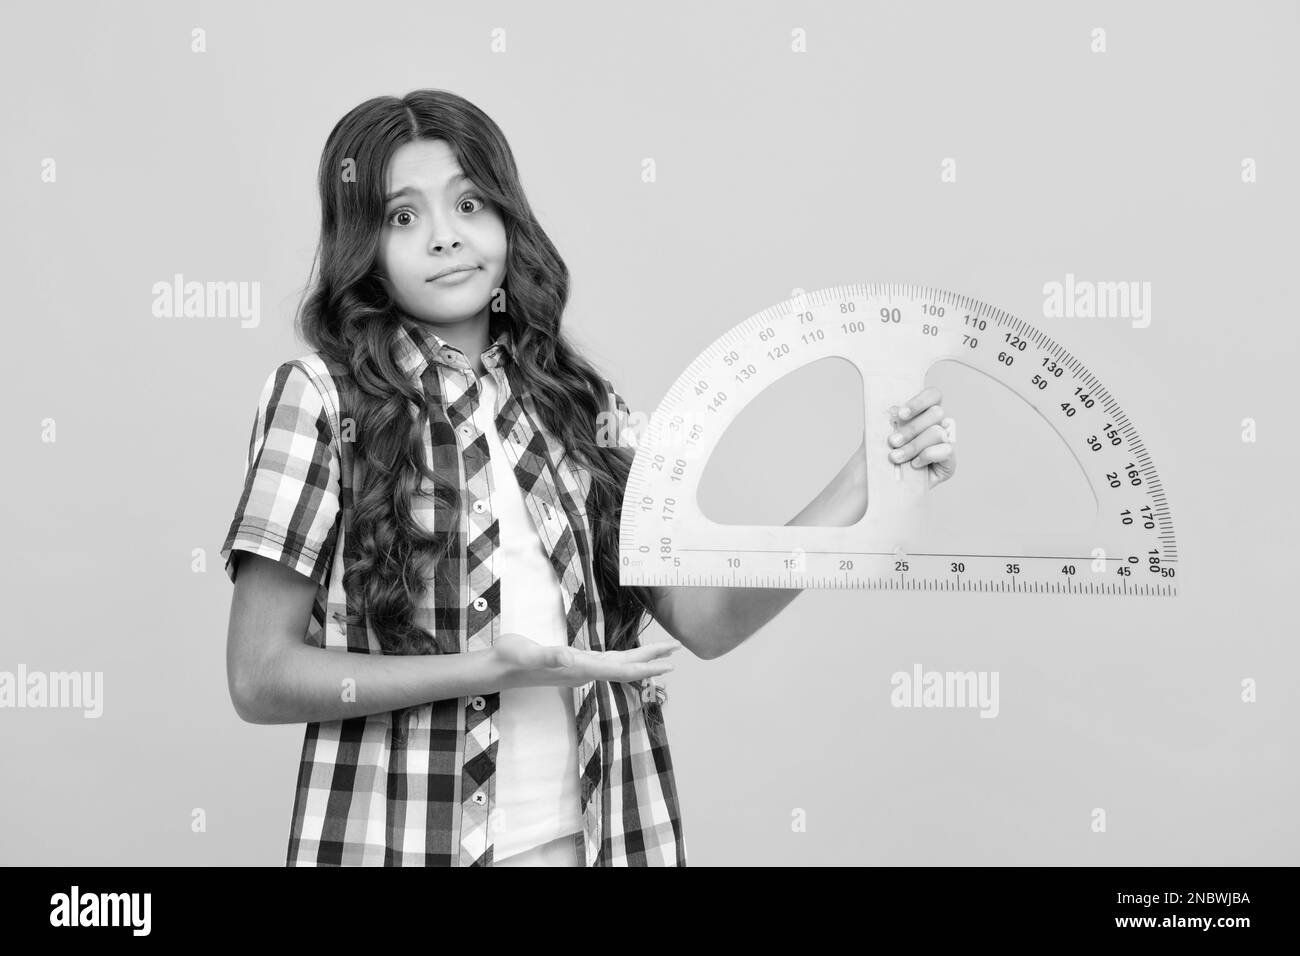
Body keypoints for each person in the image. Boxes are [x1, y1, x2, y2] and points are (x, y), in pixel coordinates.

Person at [220, 88, 957, 867]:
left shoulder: (579, 405)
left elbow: (704, 620)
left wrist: (863, 483)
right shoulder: (320, 399)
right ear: (362, 246)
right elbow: (260, 677)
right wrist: (485, 671)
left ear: (507, 215)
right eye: (403, 216)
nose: (445, 236)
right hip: (399, 846)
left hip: (600, 843)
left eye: (469, 203)